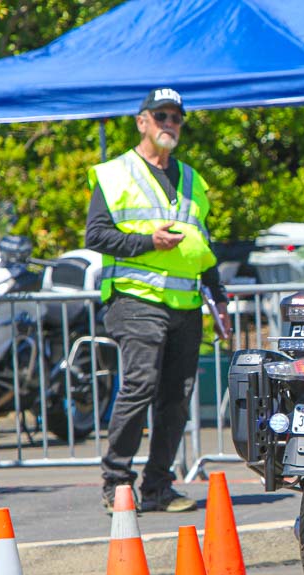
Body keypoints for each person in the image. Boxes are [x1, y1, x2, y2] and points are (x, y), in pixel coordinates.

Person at [85, 87, 230, 514]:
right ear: (142, 121)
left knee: (176, 396)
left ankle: (158, 487)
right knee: (141, 384)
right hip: (135, 300)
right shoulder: (115, 173)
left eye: (177, 118)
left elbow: (203, 244)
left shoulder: (191, 179)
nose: (170, 124)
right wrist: (149, 241)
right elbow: (96, 235)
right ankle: (117, 483)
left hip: (185, 305)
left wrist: (218, 299)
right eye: (162, 115)